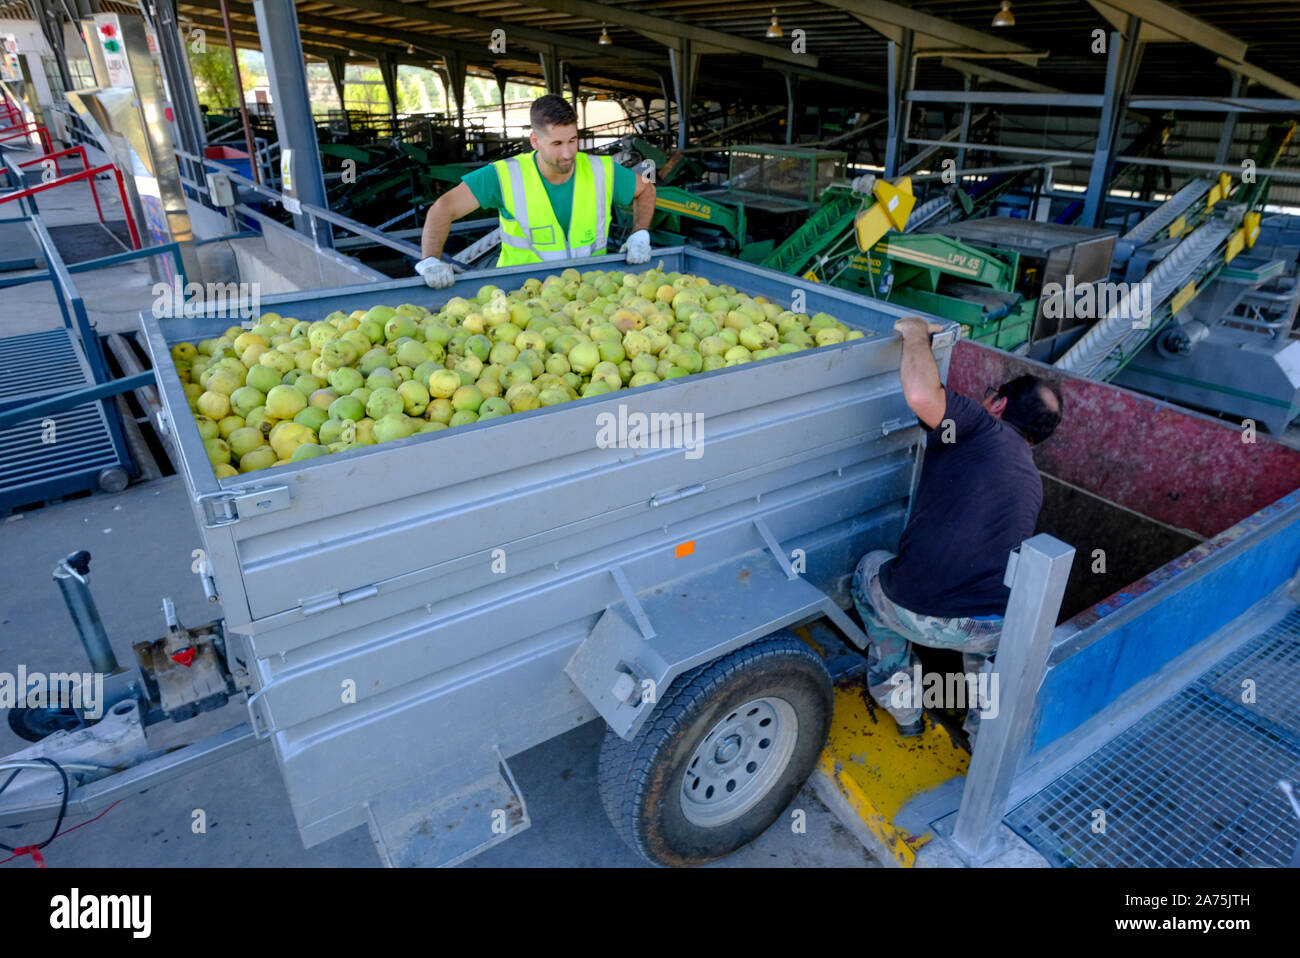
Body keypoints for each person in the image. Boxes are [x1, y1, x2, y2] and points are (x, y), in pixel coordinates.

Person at [852, 315, 1063, 746]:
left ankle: (904, 706)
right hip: (988, 628)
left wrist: (914, 335)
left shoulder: (981, 426)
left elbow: (919, 394)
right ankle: (983, 741)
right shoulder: (1032, 479)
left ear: (999, 404)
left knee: (869, 570)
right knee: (994, 654)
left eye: (989, 397)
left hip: (915, 611)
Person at [415, 94, 656, 286]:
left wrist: (639, 233)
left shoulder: (601, 170)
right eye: (557, 143)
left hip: (587, 295)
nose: (567, 153)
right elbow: (443, 208)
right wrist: (430, 261)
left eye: (573, 140)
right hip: (521, 297)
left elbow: (646, 190)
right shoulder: (503, 176)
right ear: (534, 141)